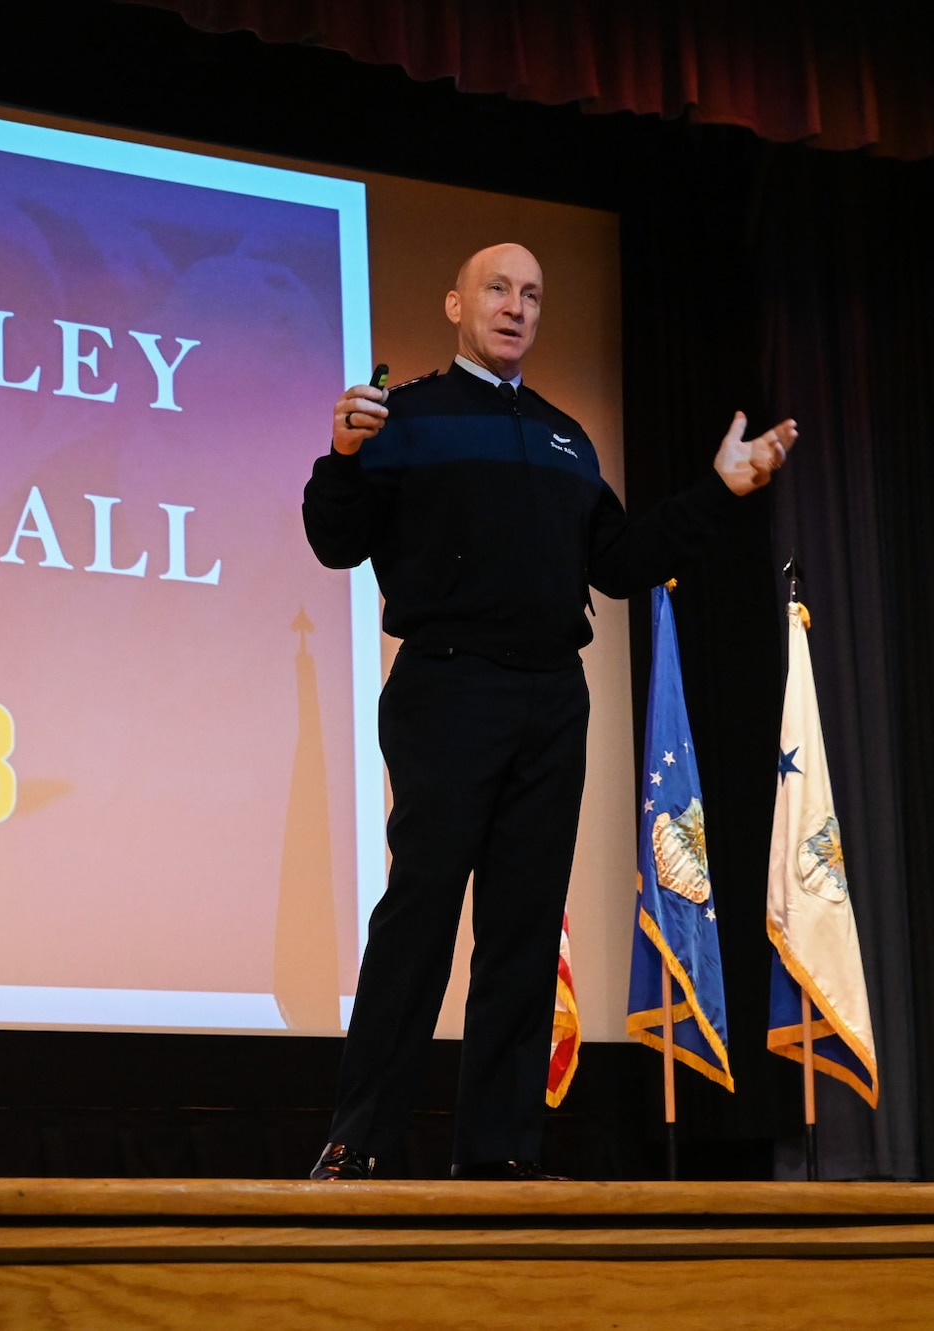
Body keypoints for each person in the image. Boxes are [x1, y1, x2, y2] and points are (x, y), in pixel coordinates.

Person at [301, 243, 796, 1181]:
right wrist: (343, 456)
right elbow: (335, 540)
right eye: (497, 288)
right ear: (456, 304)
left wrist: (717, 492)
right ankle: (359, 1142)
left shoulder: (569, 440)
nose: (515, 306)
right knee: (420, 916)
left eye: (531, 293)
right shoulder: (406, 417)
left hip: (550, 699)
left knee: (524, 932)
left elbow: (619, 561)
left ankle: (498, 1155)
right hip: (447, 689)